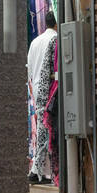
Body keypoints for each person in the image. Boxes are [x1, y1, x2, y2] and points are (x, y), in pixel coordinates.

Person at [27, 11, 58, 183]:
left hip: (38, 89)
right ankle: (38, 171)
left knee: (42, 128)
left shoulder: (35, 42)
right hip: (51, 88)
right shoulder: (54, 39)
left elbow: (30, 71)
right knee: (47, 129)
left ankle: (39, 171)